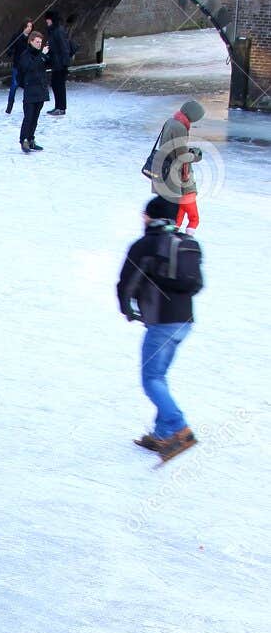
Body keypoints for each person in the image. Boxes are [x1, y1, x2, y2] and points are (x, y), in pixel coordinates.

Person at [117, 195, 203, 462]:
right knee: (160, 376)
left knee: (151, 380)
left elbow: (126, 283)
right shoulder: (187, 244)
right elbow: (197, 284)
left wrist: (128, 309)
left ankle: (179, 428)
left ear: (149, 216)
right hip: (184, 321)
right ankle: (161, 434)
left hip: (162, 323)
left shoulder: (145, 245)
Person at [147, 98, 205, 231]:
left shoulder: (171, 121)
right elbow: (182, 156)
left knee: (167, 212)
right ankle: (168, 237)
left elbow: (173, 147)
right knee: (171, 212)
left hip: (162, 169)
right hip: (171, 175)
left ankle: (164, 234)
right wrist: (196, 157)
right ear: (193, 115)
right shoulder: (180, 127)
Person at [16, 29, 50, 152]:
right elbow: (30, 68)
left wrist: (46, 55)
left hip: (40, 90)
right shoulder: (25, 55)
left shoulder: (40, 55)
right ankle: (23, 140)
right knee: (28, 117)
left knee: (35, 117)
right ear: (31, 41)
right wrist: (42, 56)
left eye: (40, 42)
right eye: (37, 42)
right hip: (30, 90)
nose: (39, 44)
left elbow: (46, 65)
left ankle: (31, 139)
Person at [44, 9, 74, 116]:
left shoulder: (58, 31)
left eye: (48, 19)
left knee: (59, 85)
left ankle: (61, 108)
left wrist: (65, 65)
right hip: (56, 63)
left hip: (60, 64)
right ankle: (58, 106)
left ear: (52, 19)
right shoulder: (53, 31)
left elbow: (64, 48)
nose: (46, 21)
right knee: (55, 84)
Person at [5, 20, 33, 114]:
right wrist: (11, 52)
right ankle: (9, 107)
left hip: (27, 66)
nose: (29, 28)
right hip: (17, 65)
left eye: (31, 26)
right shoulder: (17, 36)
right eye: (28, 26)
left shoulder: (31, 38)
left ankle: (28, 106)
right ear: (23, 27)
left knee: (28, 86)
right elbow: (9, 47)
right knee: (14, 86)